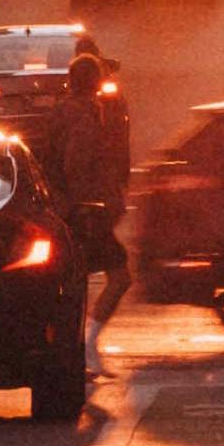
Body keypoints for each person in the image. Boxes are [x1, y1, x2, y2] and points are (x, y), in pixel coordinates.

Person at [48, 43, 132, 333]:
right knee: (119, 277)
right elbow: (77, 165)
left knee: (75, 277)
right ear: (96, 82)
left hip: (77, 211)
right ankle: (87, 341)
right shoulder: (83, 118)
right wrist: (92, 207)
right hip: (87, 213)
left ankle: (78, 339)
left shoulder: (66, 112)